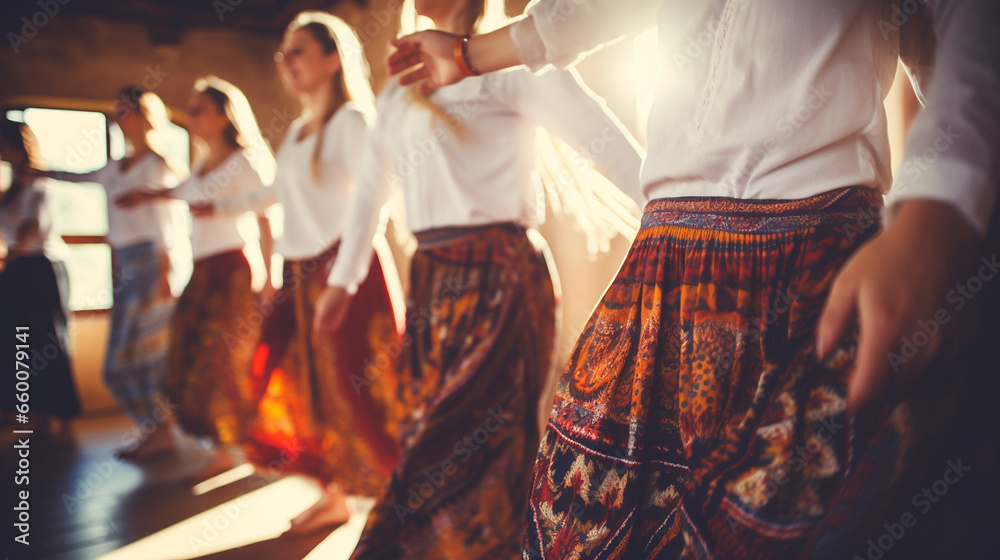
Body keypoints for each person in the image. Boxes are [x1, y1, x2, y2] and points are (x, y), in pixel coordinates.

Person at [387, 1, 1000, 558]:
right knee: (572, 528)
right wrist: (467, 55)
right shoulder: (413, 96)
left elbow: (970, 22)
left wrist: (939, 208)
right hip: (661, 263)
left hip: (811, 253)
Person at [316, 1, 644, 556]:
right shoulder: (398, 90)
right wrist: (341, 282)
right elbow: (369, 193)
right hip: (431, 286)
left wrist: (680, 214)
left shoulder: (513, 63)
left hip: (503, 280)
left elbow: (606, 142)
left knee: (469, 442)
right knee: (427, 436)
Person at [193, 11, 405, 536]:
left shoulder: (353, 121)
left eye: (299, 50)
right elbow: (273, 193)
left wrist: (342, 278)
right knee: (311, 389)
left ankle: (399, 501)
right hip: (299, 275)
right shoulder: (295, 133)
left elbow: (376, 197)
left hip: (346, 271)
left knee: (362, 390)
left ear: (333, 59)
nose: (286, 61)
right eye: (283, 52)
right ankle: (335, 497)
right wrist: (218, 208)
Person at [115, 76, 275, 482]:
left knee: (222, 360)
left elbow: (266, 216)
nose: (191, 116)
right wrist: (147, 196)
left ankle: (231, 449)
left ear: (223, 116)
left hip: (234, 270)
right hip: (201, 272)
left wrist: (270, 278)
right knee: (183, 357)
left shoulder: (245, 161)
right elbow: (181, 191)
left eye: (199, 109)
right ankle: (222, 442)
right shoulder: (201, 164)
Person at [41, 87, 191, 462]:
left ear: (142, 115)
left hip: (153, 266)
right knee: (117, 367)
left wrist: (167, 270)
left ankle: (162, 431)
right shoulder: (114, 168)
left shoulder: (156, 164)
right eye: (114, 113)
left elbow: (169, 221)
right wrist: (38, 170)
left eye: (123, 112)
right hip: (125, 268)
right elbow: (77, 176)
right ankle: (154, 429)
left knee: (146, 361)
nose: (117, 120)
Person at [0, 119, 81, 437]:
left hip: (41, 268)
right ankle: (28, 410)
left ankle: (57, 412)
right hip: (18, 268)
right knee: (16, 341)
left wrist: (13, 253)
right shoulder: (11, 187)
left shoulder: (38, 183)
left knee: (46, 341)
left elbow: (30, 226)